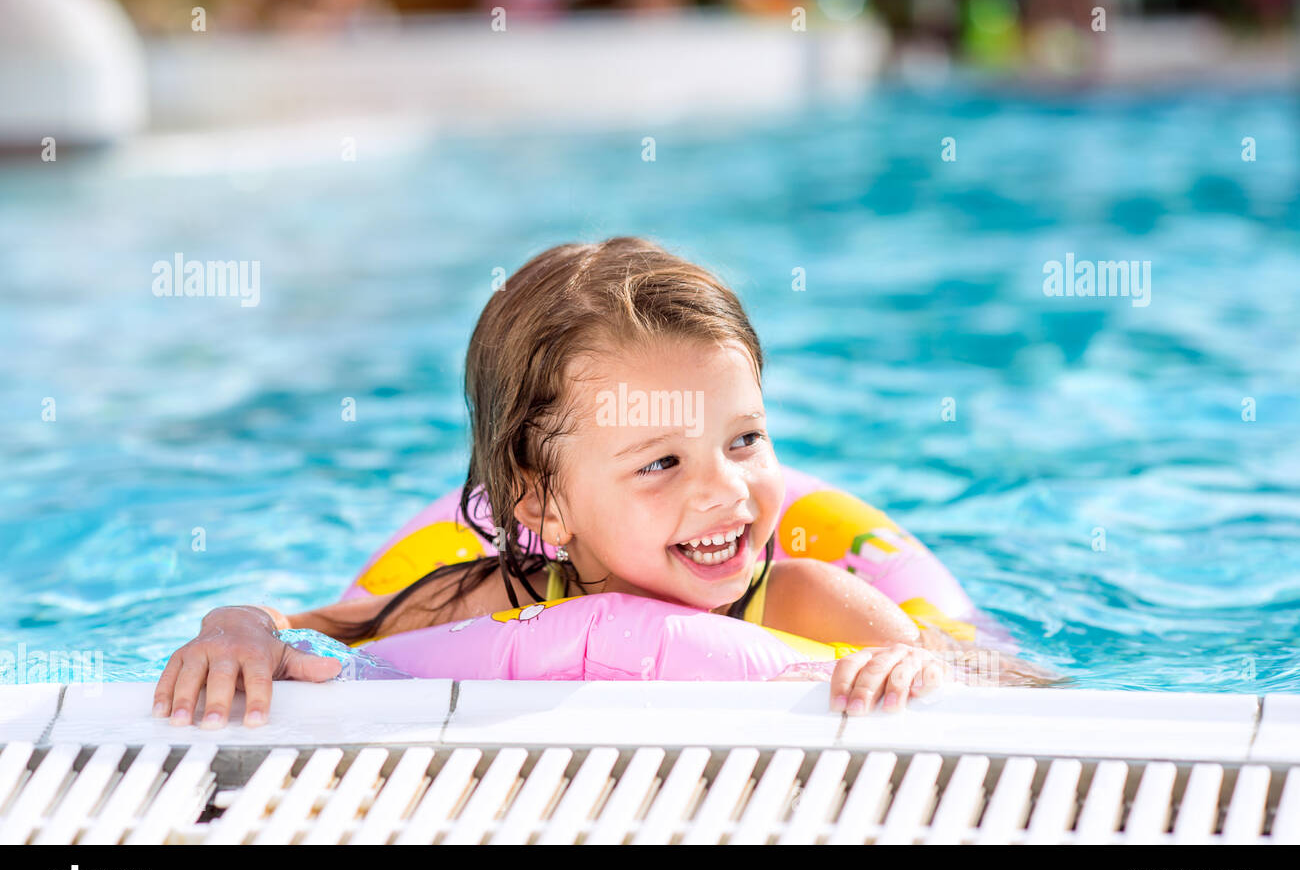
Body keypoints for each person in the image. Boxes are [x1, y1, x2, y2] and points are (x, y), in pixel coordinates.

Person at [154, 236, 1054, 729]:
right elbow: (307, 625)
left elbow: (1006, 691)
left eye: (744, 439)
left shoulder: (814, 603)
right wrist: (234, 631)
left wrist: (918, 665)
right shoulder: (481, 595)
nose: (725, 493)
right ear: (542, 499)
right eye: (661, 462)